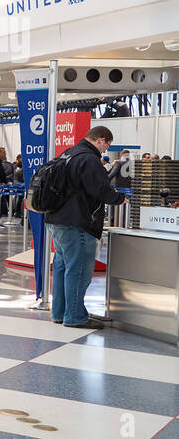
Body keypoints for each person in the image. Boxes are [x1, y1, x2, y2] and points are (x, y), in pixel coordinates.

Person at [46, 126, 126, 329]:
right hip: (77, 222)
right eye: (106, 145)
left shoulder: (68, 153)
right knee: (79, 269)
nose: (105, 150)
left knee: (63, 267)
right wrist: (120, 199)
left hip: (56, 219)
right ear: (101, 140)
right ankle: (74, 316)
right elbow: (100, 189)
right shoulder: (89, 159)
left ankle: (61, 312)